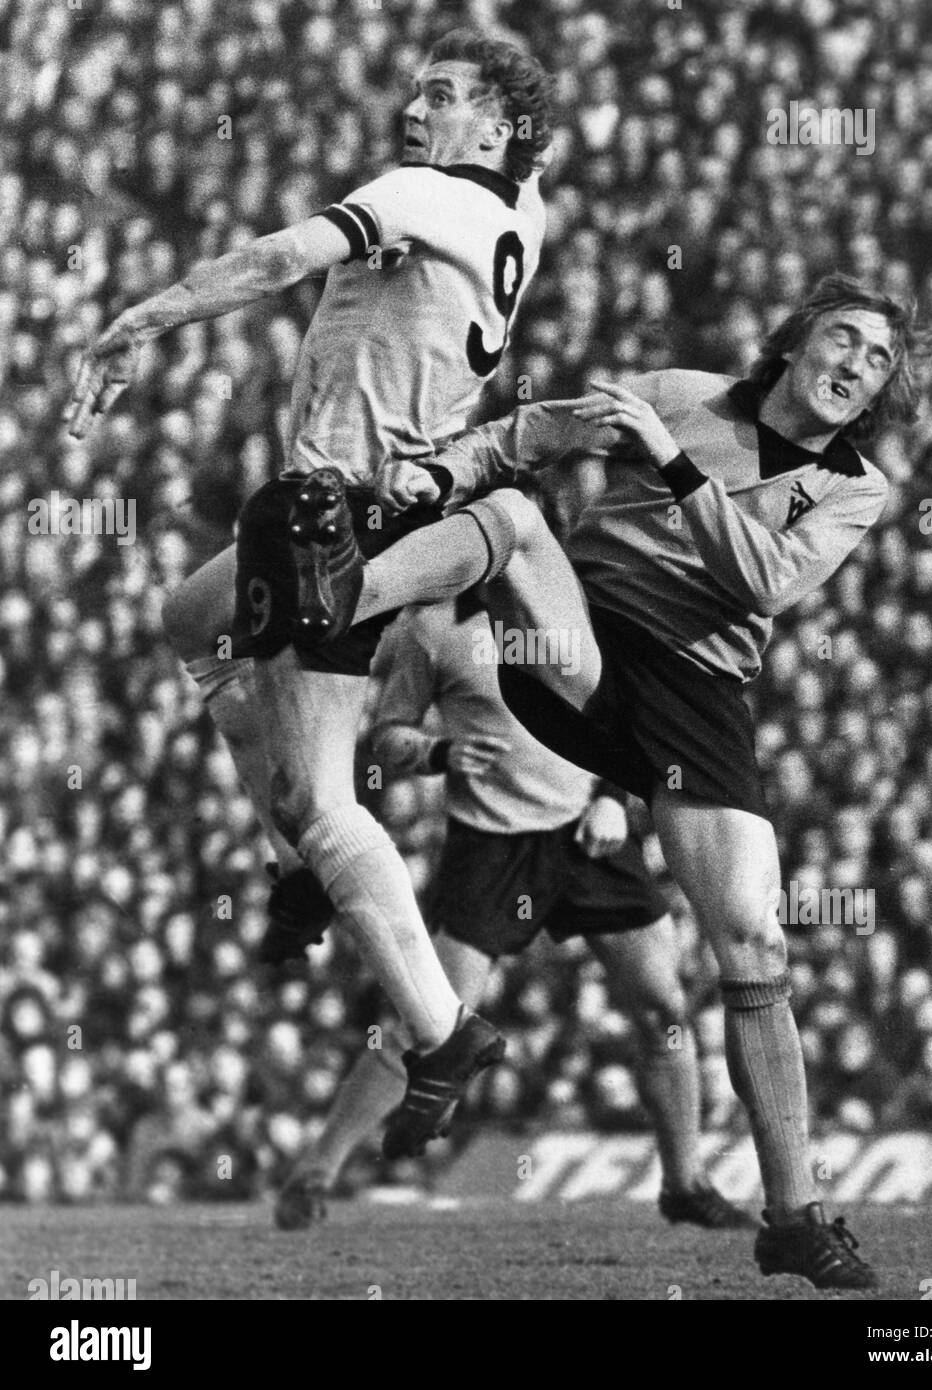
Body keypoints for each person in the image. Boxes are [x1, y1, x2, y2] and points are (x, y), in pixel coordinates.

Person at [289, 273, 932, 1288]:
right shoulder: (680, 391)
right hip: (581, 646)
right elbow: (532, 431)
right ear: (796, 339)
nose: (857, 364)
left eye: (879, 357)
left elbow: (762, 577)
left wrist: (671, 464)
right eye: (843, 338)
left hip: (700, 690)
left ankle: (794, 1217)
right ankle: (339, 590)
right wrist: (439, 471)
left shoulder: (855, 484)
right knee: (509, 510)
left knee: (753, 943)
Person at [63, 30, 554, 1160]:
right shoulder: (522, 208)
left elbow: (282, 259)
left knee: (325, 802)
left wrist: (146, 317)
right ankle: (295, 871)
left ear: (493, 126)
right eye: (416, 89)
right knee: (191, 622)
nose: (413, 108)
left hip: (332, 510)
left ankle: (440, 1028)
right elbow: (527, 172)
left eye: (443, 94)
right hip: (390, 501)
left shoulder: (425, 192)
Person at [275, 588, 754, 1235]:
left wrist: (614, 795)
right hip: (492, 844)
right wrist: (437, 754)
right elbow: (386, 736)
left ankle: (685, 1181)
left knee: (662, 1005)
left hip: (588, 832)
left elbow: (624, 710)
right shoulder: (431, 629)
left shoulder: (577, 603)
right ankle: (316, 1170)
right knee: (432, 1022)